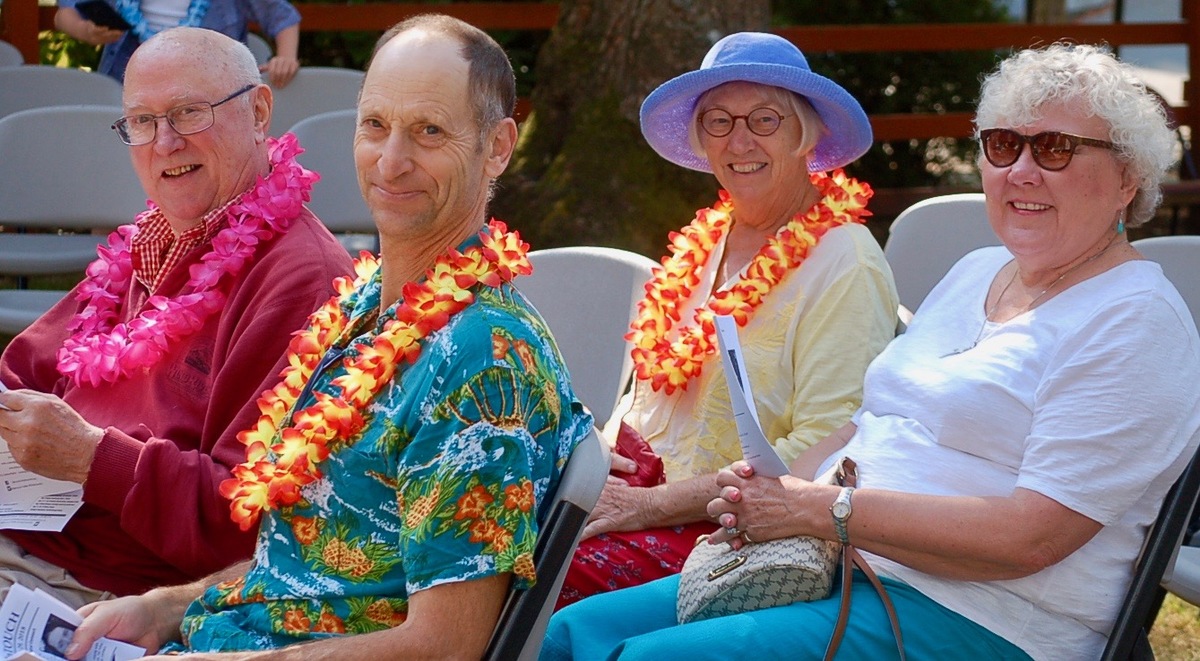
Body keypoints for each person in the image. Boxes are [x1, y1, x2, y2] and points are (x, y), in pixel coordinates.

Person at [542, 42, 1200, 660]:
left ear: (1127, 179)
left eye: (1055, 148)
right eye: (1004, 145)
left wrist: (817, 508)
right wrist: (773, 493)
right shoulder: (978, 270)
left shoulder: (1134, 322)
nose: (1020, 169)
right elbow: (871, 418)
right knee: (576, 630)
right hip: (833, 562)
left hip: (984, 613)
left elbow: (1033, 535)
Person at [64, 14, 592, 660]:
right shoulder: (364, 311)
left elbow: (447, 645)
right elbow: (301, 567)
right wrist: (161, 608)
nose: (391, 161)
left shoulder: (479, 357)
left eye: (429, 131)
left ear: (499, 146)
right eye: (375, 125)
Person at [0, 28, 353, 609]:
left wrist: (92, 457)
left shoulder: (303, 281)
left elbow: (249, 522)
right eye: (141, 121)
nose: (164, 143)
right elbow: (27, 371)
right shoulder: (149, 238)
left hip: (104, 589)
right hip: (29, 534)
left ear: (259, 110)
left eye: (190, 113)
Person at [558, 32, 899, 607]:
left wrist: (648, 505)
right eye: (718, 121)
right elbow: (646, 398)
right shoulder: (706, 238)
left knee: (535, 578)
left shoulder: (848, 260)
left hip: (727, 530)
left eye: (765, 119)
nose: (740, 140)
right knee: (470, 537)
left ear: (804, 134)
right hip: (626, 493)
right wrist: (592, 465)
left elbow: (829, 443)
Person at [53, 0, 301, 87]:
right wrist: (85, 30)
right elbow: (64, 13)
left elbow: (282, 17)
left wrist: (286, 58)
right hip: (129, 88)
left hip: (214, 89)